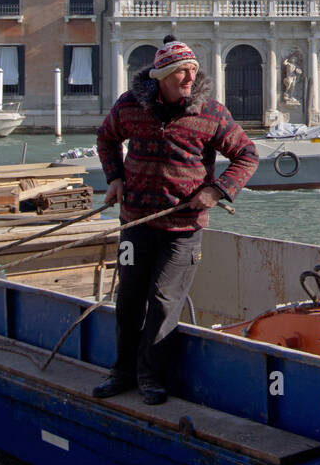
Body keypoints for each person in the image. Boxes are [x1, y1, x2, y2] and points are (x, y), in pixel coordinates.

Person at [93, 37, 258, 405]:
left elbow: (247, 155)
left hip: (183, 230)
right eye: (181, 71)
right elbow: (106, 139)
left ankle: (150, 376)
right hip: (135, 224)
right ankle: (122, 372)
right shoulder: (130, 106)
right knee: (129, 299)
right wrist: (115, 178)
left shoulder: (211, 113)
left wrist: (216, 192)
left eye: (192, 69)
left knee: (164, 300)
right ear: (162, 76)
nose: (189, 76)